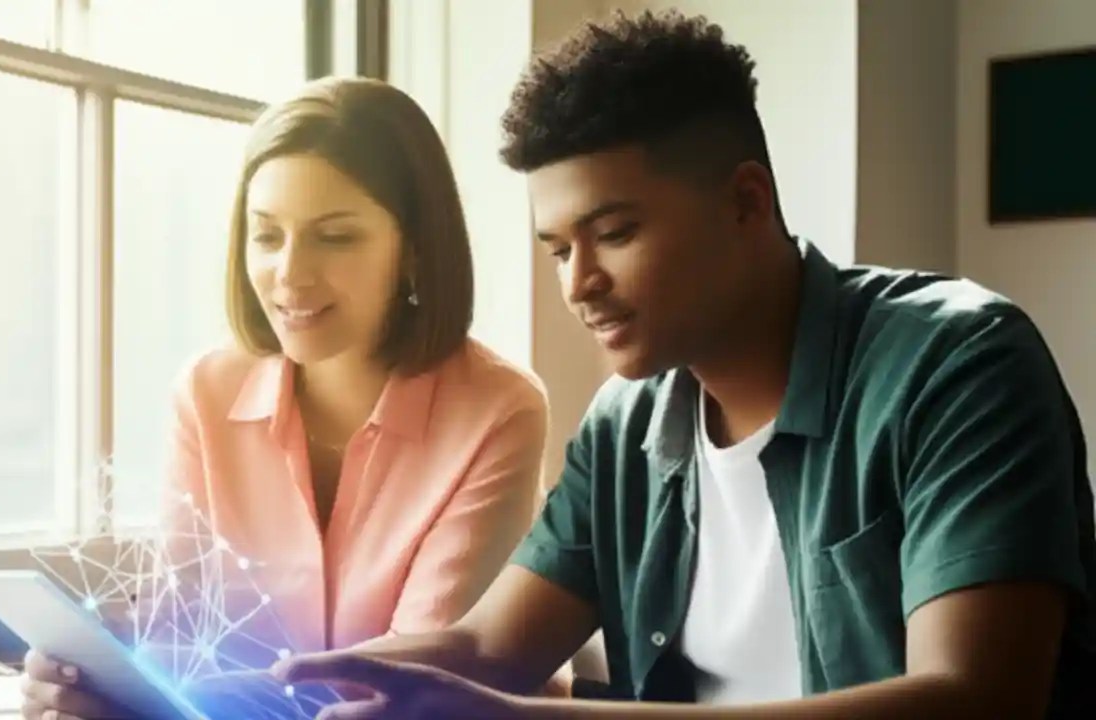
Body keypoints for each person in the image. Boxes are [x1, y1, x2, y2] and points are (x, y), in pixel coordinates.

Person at [274, 10, 1096, 719]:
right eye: (559, 248)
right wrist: (269, 690)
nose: (579, 284)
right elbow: (490, 645)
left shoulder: (959, 364)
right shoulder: (624, 426)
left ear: (747, 201)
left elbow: (977, 701)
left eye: (616, 234)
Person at [17, 76, 551, 719]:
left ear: (412, 250)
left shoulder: (498, 410)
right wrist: (100, 679)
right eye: (267, 235)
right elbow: (184, 638)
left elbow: (411, 686)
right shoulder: (207, 393)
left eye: (335, 236)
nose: (290, 274)